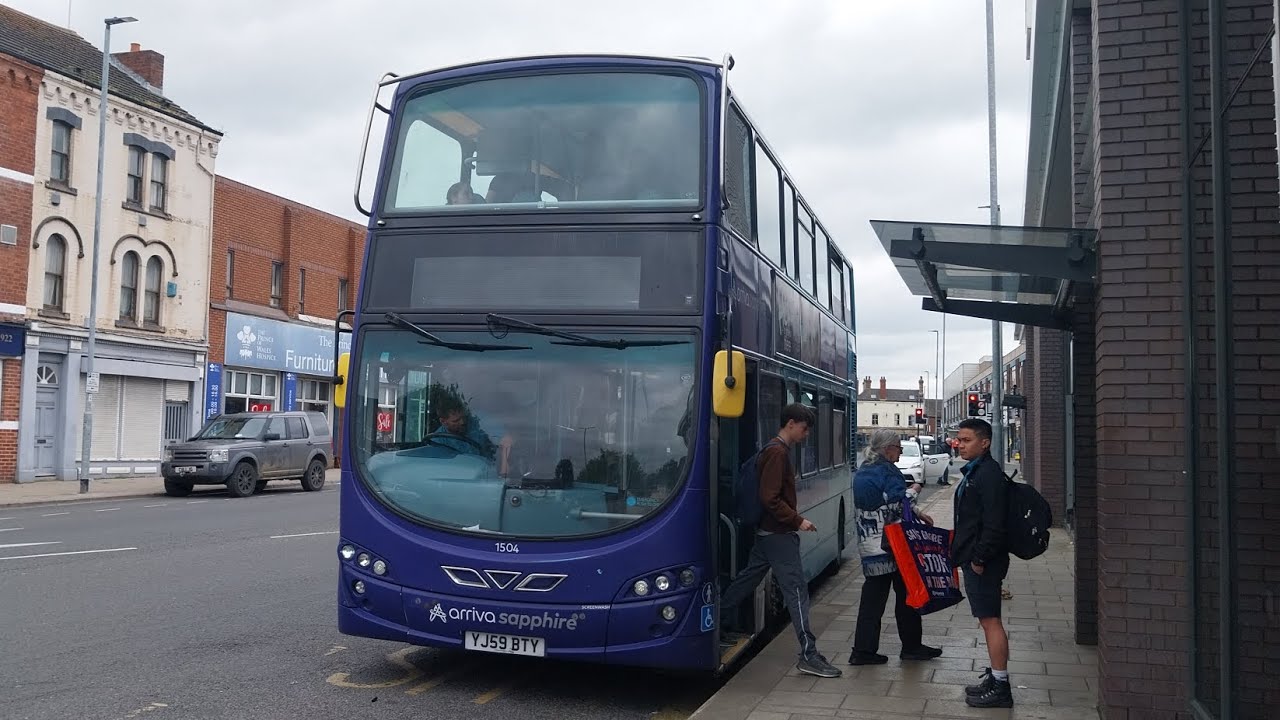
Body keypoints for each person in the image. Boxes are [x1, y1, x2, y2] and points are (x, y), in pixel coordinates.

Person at [719, 403, 842, 679]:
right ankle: (808, 654)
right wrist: (798, 521)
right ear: (790, 424)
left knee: (747, 580)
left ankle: (718, 621)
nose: (806, 434)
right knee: (797, 592)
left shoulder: (771, 449)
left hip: (767, 534)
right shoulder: (777, 453)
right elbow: (769, 498)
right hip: (778, 536)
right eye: (804, 429)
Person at [849, 429, 943, 665]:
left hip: (871, 547)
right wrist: (914, 491)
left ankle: (863, 650)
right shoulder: (887, 471)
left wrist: (917, 512)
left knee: (872, 601)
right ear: (887, 448)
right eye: (898, 447)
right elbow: (897, 505)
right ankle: (911, 646)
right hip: (894, 546)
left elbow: (880, 505)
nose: (900, 451)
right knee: (908, 595)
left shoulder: (864, 470)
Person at [952, 418, 1014, 708]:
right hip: (976, 557)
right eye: (959, 440)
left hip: (983, 561)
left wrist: (979, 558)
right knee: (986, 620)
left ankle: (1001, 687)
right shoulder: (977, 471)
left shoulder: (988, 474)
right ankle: (995, 677)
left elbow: (994, 522)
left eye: (966, 440)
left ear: (985, 443)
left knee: (990, 621)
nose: (959, 445)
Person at [434, 401, 512, 478]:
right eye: (456, 421)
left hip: (486, 475)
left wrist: (504, 465)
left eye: (463, 417)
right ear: (443, 421)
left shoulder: (479, 423)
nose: (462, 422)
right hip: (455, 478)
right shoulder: (436, 440)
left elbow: (505, 439)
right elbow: (437, 468)